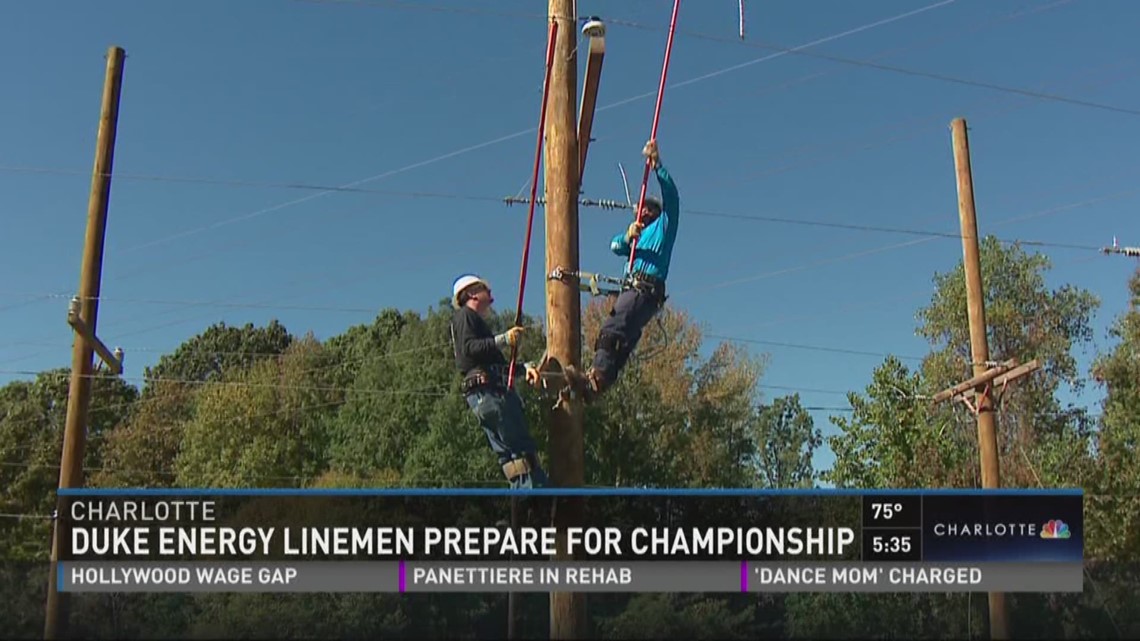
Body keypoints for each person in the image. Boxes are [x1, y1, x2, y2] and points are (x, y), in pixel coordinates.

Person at [582, 138, 679, 400]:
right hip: (640, 292)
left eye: (648, 210)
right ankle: (600, 384)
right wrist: (628, 235)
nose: (643, 213)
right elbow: (615, 246)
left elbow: (672, 196)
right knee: (622, 341)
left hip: (644, 288)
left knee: (611, 329)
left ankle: (597, 375)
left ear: (656, 213)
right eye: (641, 210)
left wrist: (657, 164)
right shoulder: (637, 236)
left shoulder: (664, 228)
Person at [449, 274, 549, 489]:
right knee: (522, 452)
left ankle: (522, 506)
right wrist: (504, 339)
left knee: (511, 460)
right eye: (488, 291)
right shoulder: (464, 316)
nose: (492, 297)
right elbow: (470, 349)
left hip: (483, 395)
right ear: (473, 293)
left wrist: (525, 369)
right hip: (489, 394)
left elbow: (497, 365)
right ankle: (538, 498)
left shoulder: (473, 323)